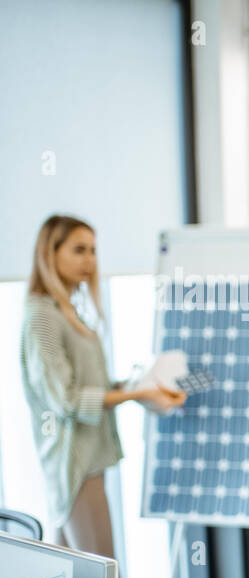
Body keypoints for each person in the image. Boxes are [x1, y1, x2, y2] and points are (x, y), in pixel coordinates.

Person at [20, 215, 185, 558]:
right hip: (75, 466)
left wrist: (139, 386)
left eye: (93, 251)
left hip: (89, 461)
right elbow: (66, 400)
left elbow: (91, 387)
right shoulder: (43, 317)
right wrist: (137, 394)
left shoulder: (68, 312)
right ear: (50, 253)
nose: (90, 260)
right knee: (105, 577)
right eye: (79, 250)